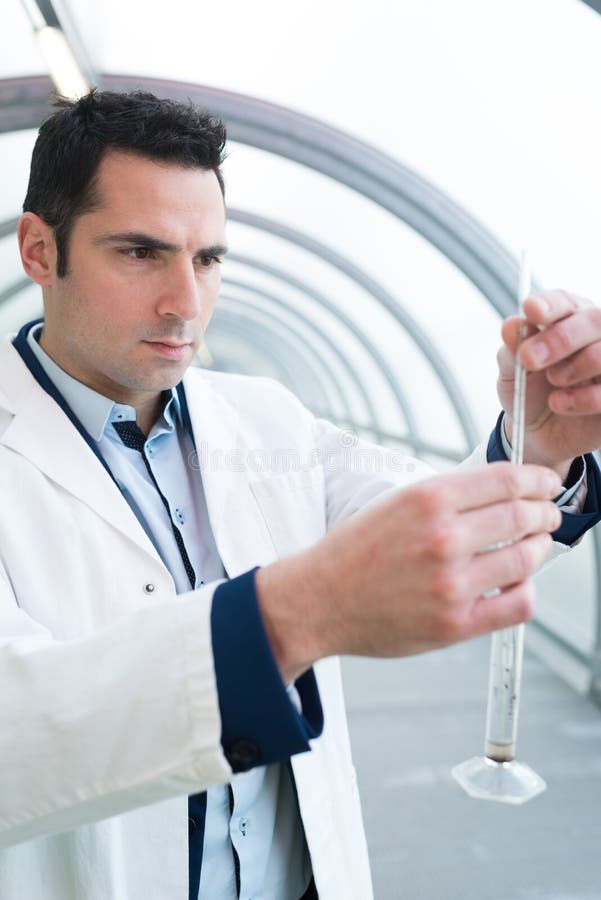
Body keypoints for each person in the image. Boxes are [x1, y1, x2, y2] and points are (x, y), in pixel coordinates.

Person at [0, 89, 599, 900]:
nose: (186, 303)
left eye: (207, 259)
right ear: (40, 250)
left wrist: (538, 444)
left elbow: (440, 531)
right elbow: (19, 738)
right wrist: (293, 616)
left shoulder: (264, 419)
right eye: (140, 253)